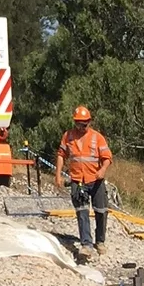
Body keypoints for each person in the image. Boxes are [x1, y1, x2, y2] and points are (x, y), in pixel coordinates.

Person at [55, 104, 113, 250]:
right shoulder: (68, 136)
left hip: (96, 180)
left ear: (89, 122)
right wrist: (58, 175)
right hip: (78, 180)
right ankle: (86, 244)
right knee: (82, 211)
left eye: (85, 124)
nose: (82, 127)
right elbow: (61, 155)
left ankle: (100, 241)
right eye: (79, 124)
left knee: (101, 211)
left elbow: (107, 157)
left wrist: (103, 170)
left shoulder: (97, 137)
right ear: (75, 122)